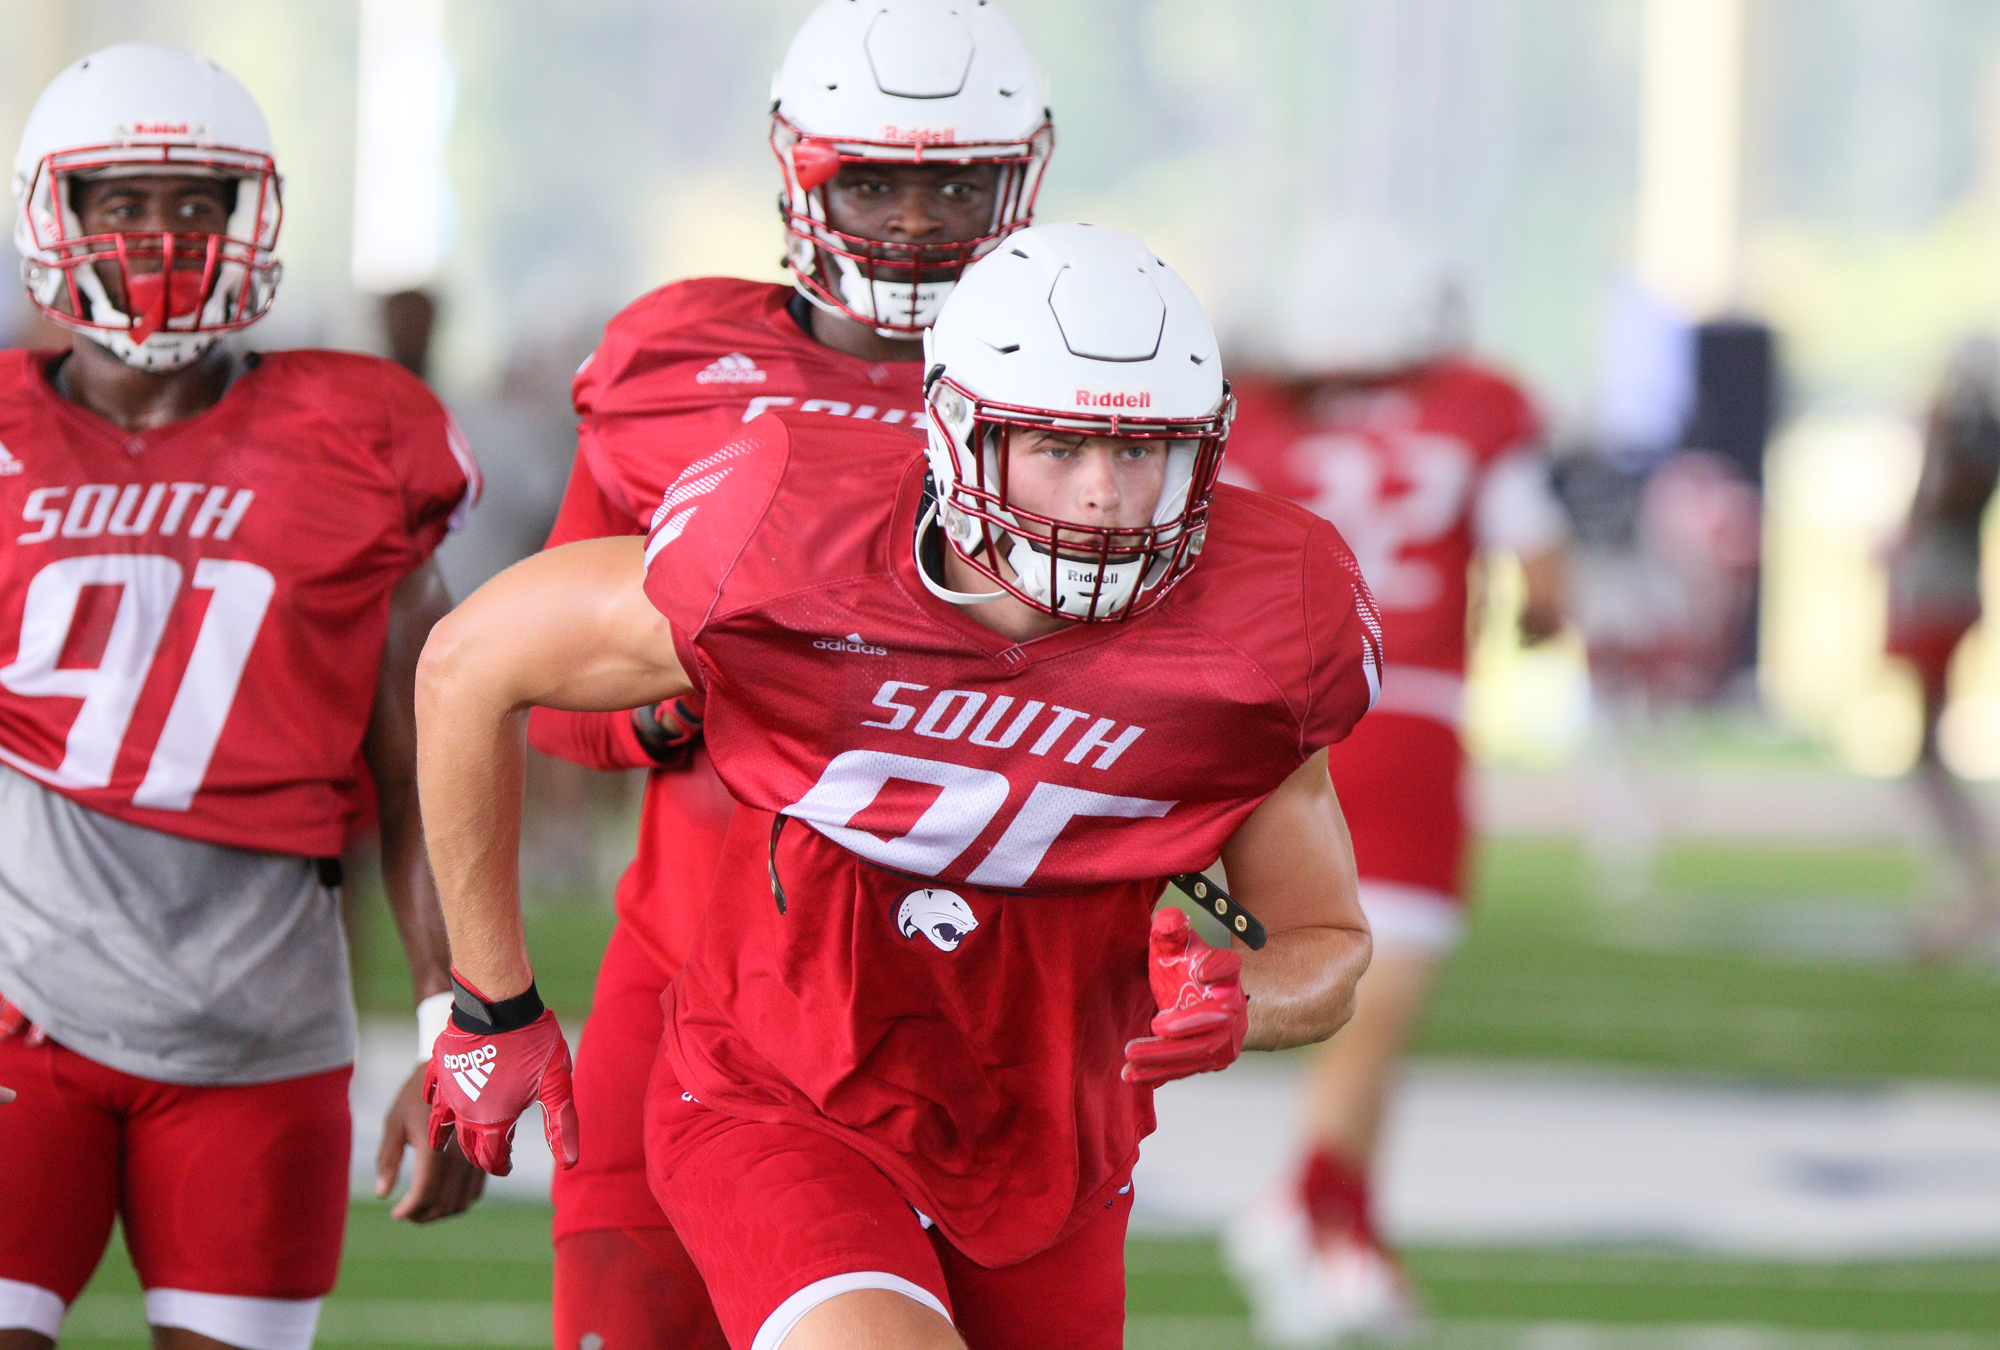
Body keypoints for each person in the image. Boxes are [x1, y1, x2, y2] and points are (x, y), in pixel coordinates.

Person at [417, 222, 1380, 1350]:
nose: (1109, 496)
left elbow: (1325, 939)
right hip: (780, 1092)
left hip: (1051, 1145)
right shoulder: (794, 548)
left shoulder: (1263, 627)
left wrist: (1239, 1000)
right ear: (960, 432)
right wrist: (491, 1002)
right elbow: (468, 662)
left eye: (1142, 452)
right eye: (1058, 447)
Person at [521, 4, 1054, 1345]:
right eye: (876, 178)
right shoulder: (676, 364)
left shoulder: (1087, 393)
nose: (919, 219)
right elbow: (537, 691)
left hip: (976, 1013)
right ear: (802, 166)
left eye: (956, 181)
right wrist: (665, 706)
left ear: (1020, 177)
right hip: (691, 969)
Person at [0, 45, 484, 1350]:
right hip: (17, 1004)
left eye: (196, 205)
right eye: (124, 204)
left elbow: (428, 769)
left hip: (258, 1025)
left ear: (247, 219)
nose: (164, 237)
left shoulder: (357, 434)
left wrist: (459, 1023)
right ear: (59, 217)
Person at [1220, 219, 1568, 1347]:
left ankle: (1344, 1216)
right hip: (1404, 716)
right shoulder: (1476, 409)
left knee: (1348, 984)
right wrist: (1539, 623)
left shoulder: (1251, 417)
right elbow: (1544, 578)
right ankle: (1308, 1203)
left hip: (1276, 725)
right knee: (1382, 990)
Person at [1888, 335, 2000, 955]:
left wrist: (1933, 439)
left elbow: (1943, 502)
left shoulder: (1973, 437)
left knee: (1926, 749)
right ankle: (1969, 871)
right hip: (1935, 590)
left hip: (1944, 594)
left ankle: (1974, 873)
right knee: (1923, 752)